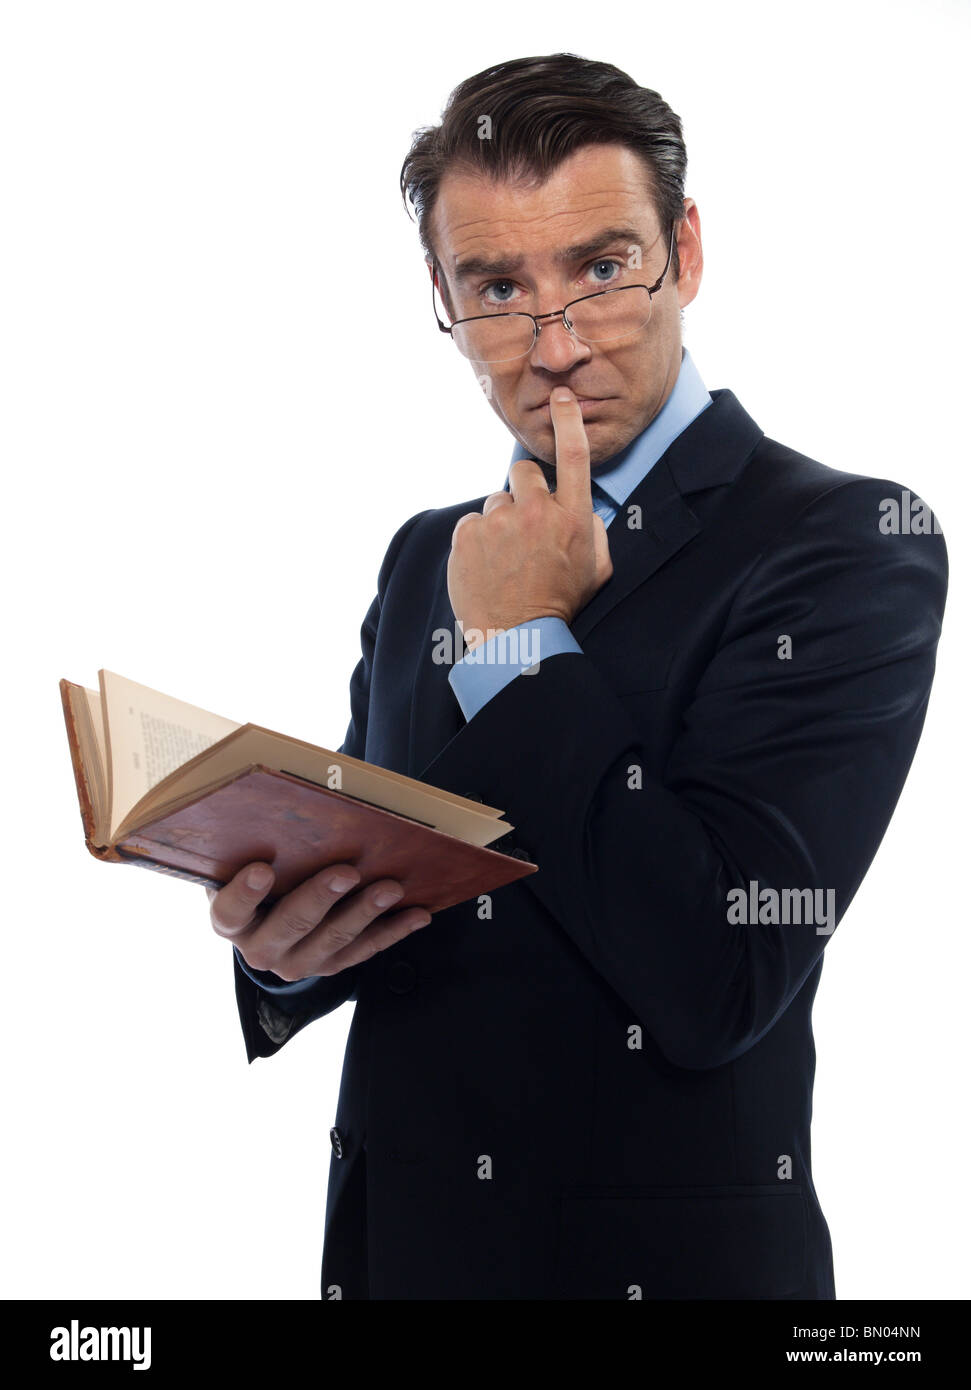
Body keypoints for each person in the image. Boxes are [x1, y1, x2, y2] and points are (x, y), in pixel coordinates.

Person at [208, 54, 948, 1300]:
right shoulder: (424, 556)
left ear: (687, 254)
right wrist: (289, 952)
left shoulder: (846, 540)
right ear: (440, 297)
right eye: (497, 286)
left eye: (601, 270)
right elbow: (410, 889)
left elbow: (721, 972)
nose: (553, 346)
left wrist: (519, 645)